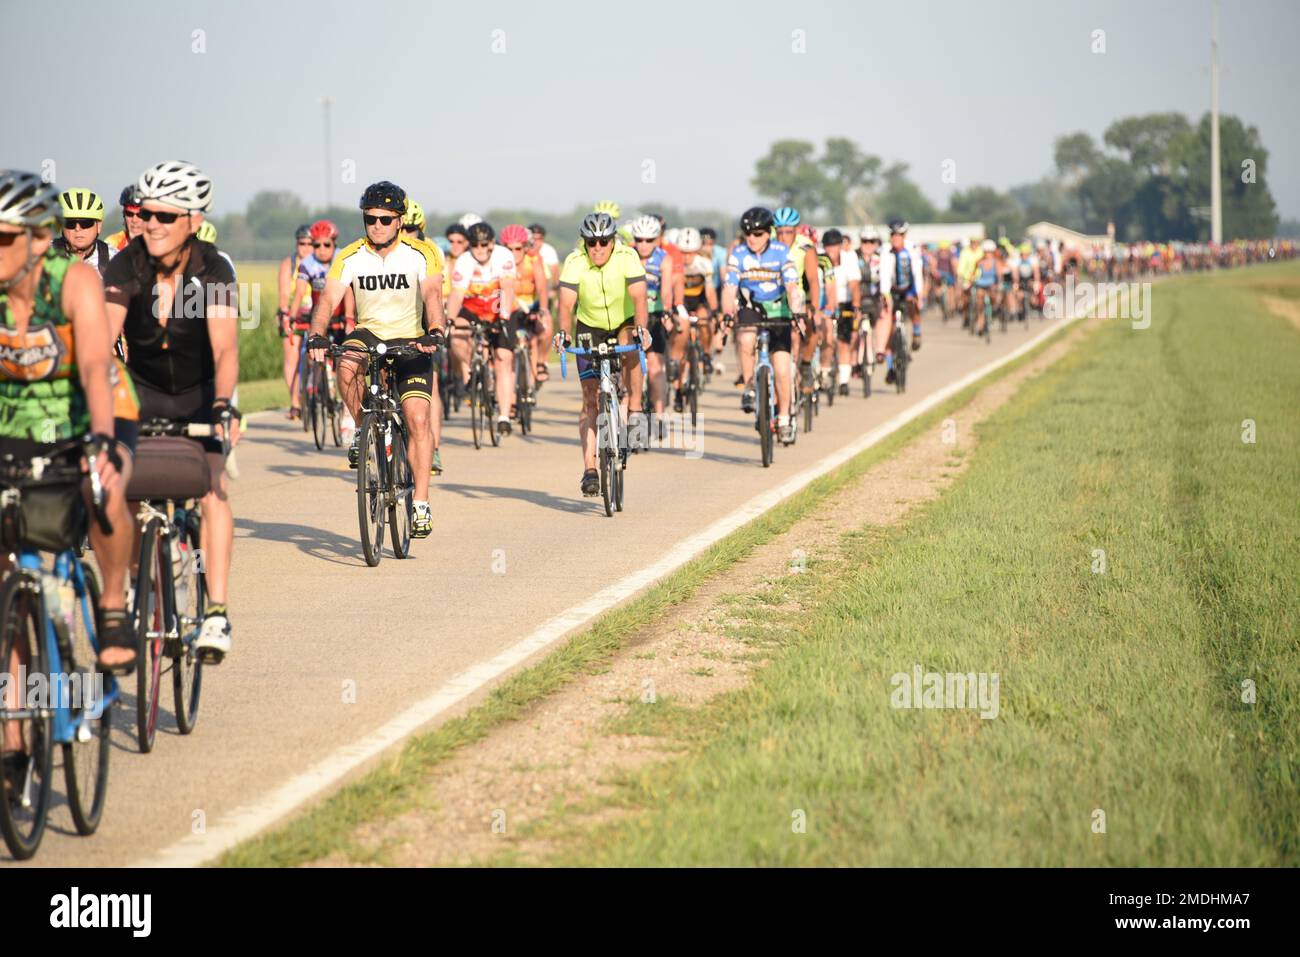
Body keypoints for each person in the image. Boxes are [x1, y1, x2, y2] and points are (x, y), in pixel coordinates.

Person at [103, 159, 240, 663]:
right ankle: (139, 585)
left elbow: (225, 348)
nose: (151, 224)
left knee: (213, 487)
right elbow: (101, 341)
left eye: (164, 215)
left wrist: (224, 406)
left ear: (193, 222)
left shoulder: (214, 269)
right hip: (141, 393)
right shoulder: (125, 265)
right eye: (146, 214)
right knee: (112, 490)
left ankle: (218, 613)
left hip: (201, 393)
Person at [0, 170, 133, 678]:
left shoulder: (74, 280)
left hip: (84, 407)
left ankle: (115, 606)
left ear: (35, 237)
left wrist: (100, 442)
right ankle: (14, 734)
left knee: (105, 490)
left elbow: (97, 371)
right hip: (17, 422)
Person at [307, 181, 445, 538]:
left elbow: (432, 295)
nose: (378, 226)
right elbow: (327, 300)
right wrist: (317, 334)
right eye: (370, 219)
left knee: (417, 417)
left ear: (399, 220)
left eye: (385, 219)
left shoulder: (421, 253)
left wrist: (435, 330)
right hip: (370, 332)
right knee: (346, 363)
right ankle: (362, 427)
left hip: (412, 337)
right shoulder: (351, 256)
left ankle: (421, 505)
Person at [552, 211, 649, 496]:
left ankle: (635, 411)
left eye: (603, 241)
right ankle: (590, 469)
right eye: (591, 242)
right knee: (589, 400)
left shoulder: (627, 257)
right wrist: (564, 333)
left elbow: (639, 296)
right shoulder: (574, 261)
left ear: (613, 240)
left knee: (631, 347)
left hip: (623, 321)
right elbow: (566, 304)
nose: (597, 248)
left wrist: (642, 329)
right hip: (589, 325)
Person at [723, 206, 803, 444]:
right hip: (752, 307)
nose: (752, 238)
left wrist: (797, 312)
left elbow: (791, 286)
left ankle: (785, 418)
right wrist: (728, 312)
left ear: (769, 233)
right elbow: (729, 287)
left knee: (781, 368)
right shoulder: (738, 253)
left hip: (779, 310)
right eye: (747, 233)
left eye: (757, 234)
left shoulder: (781, 252)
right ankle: (749, 385)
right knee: (746, 337)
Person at [445, 221, 518, 436]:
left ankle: (504, 415)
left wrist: (503, 318)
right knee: (457, 335)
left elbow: (507, 287)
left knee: (504, 357)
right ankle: (470, 375)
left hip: (500, 308)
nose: (479, 249)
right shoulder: (464, 261)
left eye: (484, 244)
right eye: (474, 245)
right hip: (475, 309)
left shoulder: (503, 256)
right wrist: (448, 321)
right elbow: (457, 295)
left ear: (491, 244)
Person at [277, 223, 314, 420]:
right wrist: (285, 314)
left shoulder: (320, 262)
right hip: (293, 313)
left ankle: (322, 389)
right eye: (302, 243)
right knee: (292, 358)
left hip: (315, 313)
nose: (306, 247)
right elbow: (284, 295)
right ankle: (295, 403)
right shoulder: (289, 264)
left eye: (310, 243)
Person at [52, 188, 112, 277]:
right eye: (70, 223)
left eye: (85, 223)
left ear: (98, 226)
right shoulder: (44, 254)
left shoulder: (115, 259)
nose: (77, 228)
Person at [103, 185, 144, 253]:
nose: (134, 220)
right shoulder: (112, 243)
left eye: (140, 214)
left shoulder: (162, 244)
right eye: (129, 214)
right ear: (124, 215)